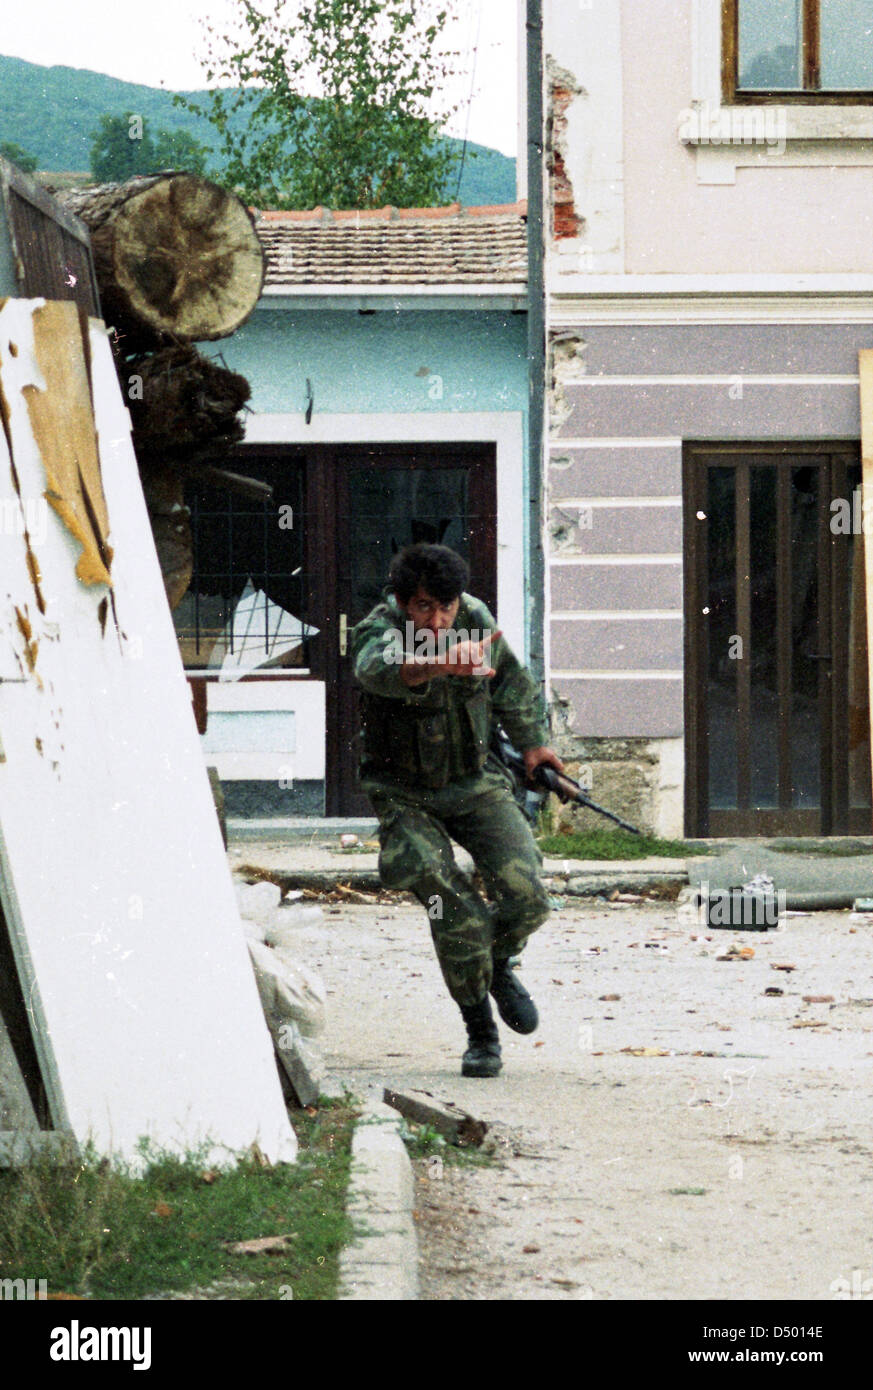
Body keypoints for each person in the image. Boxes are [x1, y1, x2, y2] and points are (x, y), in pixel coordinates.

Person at [350, 543, 564, 1077]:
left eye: (445, 607)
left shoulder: (474, 618)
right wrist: (437, 662)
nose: (438, 618)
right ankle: (480, 1032)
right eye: (425, 607)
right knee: (455, 908)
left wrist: (535, 744)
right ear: (403, 602)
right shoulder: (379, 627)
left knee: (529, 895)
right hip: (405, 795)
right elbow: (377, 670)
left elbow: (511, 682)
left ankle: (496, 965)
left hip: (473, 782)